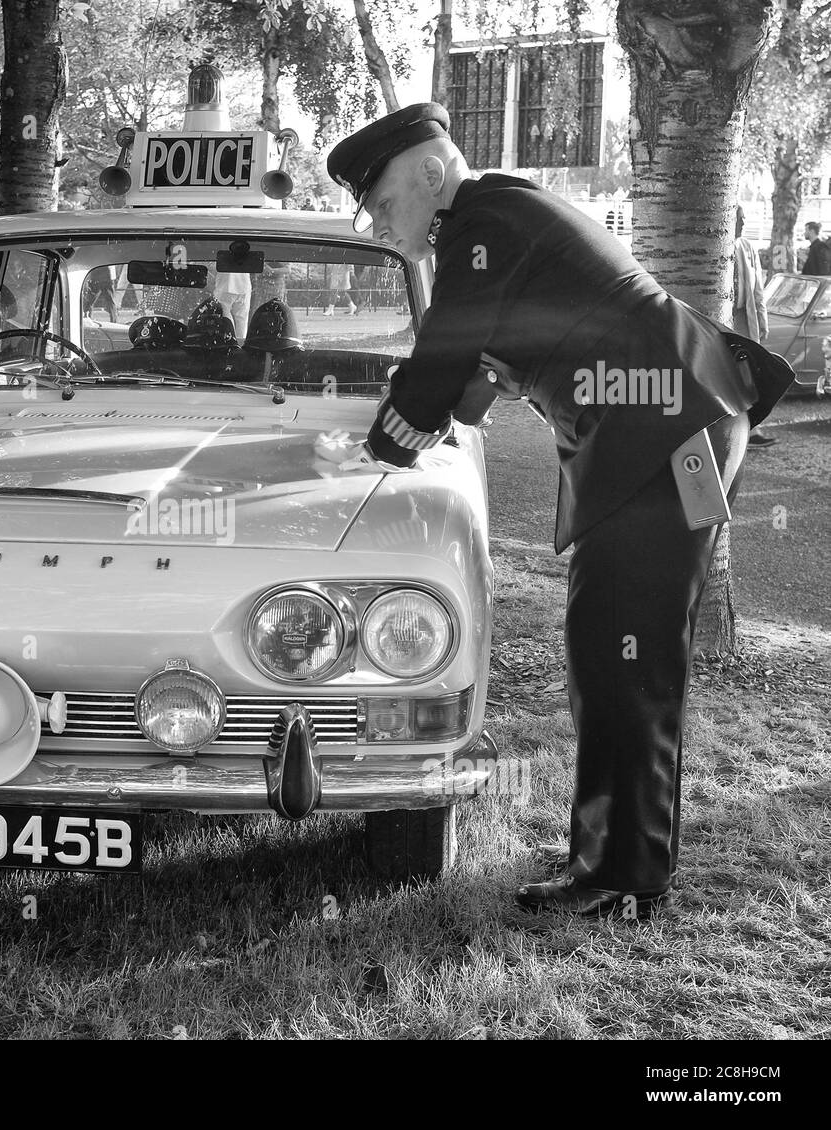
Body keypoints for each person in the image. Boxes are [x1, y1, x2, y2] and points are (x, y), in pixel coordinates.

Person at [323, 103, 793, 917]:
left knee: (623, 658)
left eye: (382, 200)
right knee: (613, 654)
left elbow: (437, 368)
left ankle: (622, 877)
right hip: (673, 430)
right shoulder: (498, 219)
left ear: (430, 175)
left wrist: (374, 450)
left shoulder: (483, 223)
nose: (376, 221)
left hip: (667, 436)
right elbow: (472, 390)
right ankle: (615, 856)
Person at [734, 206, 777, 449]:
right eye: (739, 217)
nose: (744, 221)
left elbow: (758, 288)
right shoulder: (717, 245)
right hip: (723, 321)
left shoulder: (748, 247)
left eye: (744, 217)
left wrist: (762, 320)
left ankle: (752, 430)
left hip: (744, 319)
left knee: (748, 376)